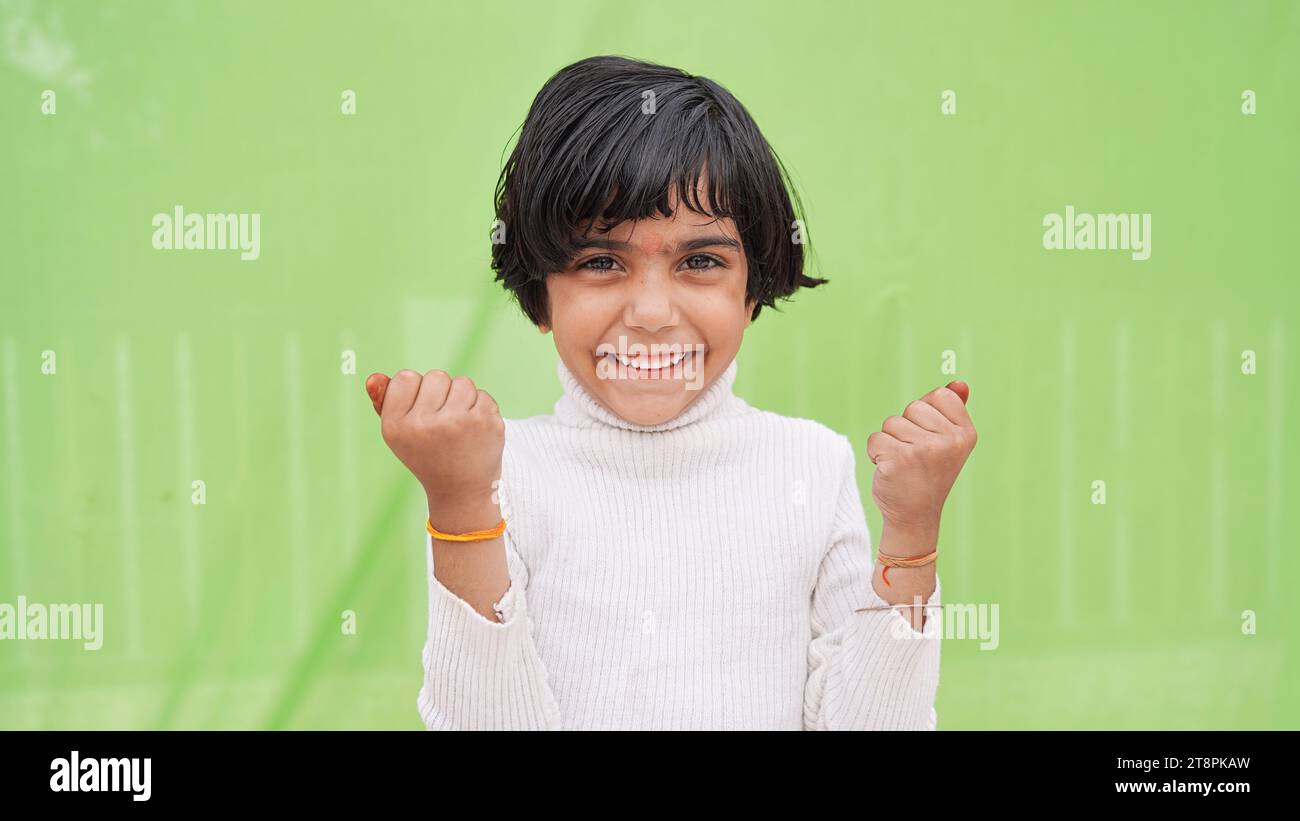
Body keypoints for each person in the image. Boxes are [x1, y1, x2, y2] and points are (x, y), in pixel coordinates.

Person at [365, 55, 977, 730]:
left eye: (700, 261)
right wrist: (459, 507)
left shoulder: (811, 465)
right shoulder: (494, 478)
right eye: (601, 261)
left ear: (753, 289)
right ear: (539, 295)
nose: (652, 312)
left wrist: (912, 532)